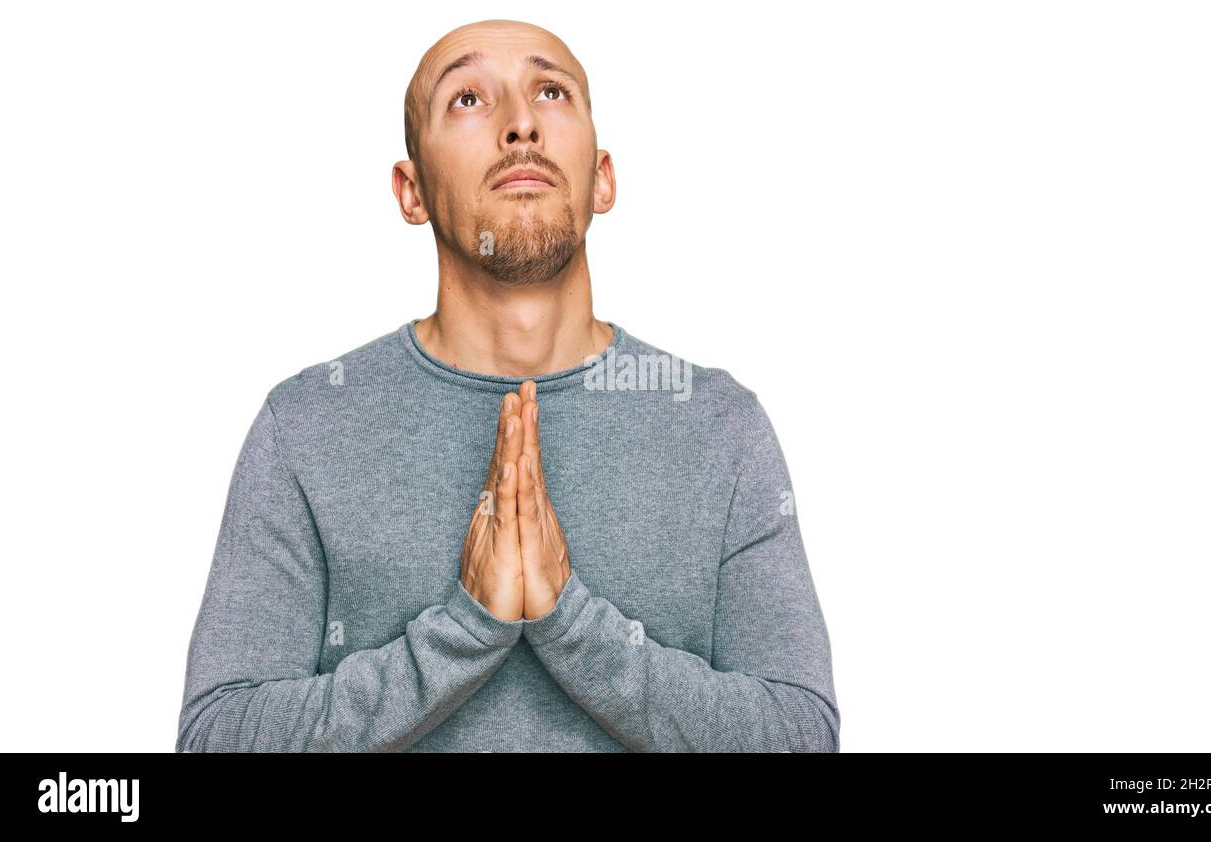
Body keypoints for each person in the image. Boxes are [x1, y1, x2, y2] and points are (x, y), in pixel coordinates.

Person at [176, 18, 839, 752]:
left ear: (603, 176)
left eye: (550, 91)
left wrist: (572, 623)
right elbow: (216, 739)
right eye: (468, 98)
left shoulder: (721, 428)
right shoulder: (304, 426)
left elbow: (803, 737)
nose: (521, 125)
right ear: (412, 190)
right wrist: (465, 630)